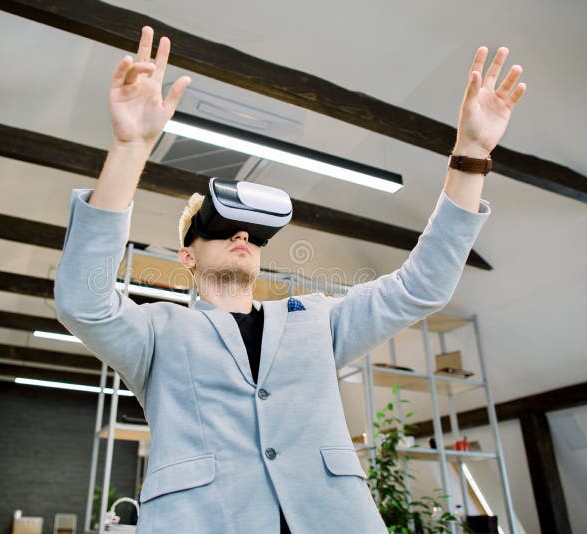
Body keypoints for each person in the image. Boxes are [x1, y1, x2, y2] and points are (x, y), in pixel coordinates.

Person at [54, 25, 525, 534]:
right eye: (217, 228)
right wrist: (130, 146)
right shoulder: (155, 334)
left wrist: (471, 153)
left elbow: (420, 288)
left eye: (254, 235)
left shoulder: (317, 321)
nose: (241, 238)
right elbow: (84, 302)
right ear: (186, 257)